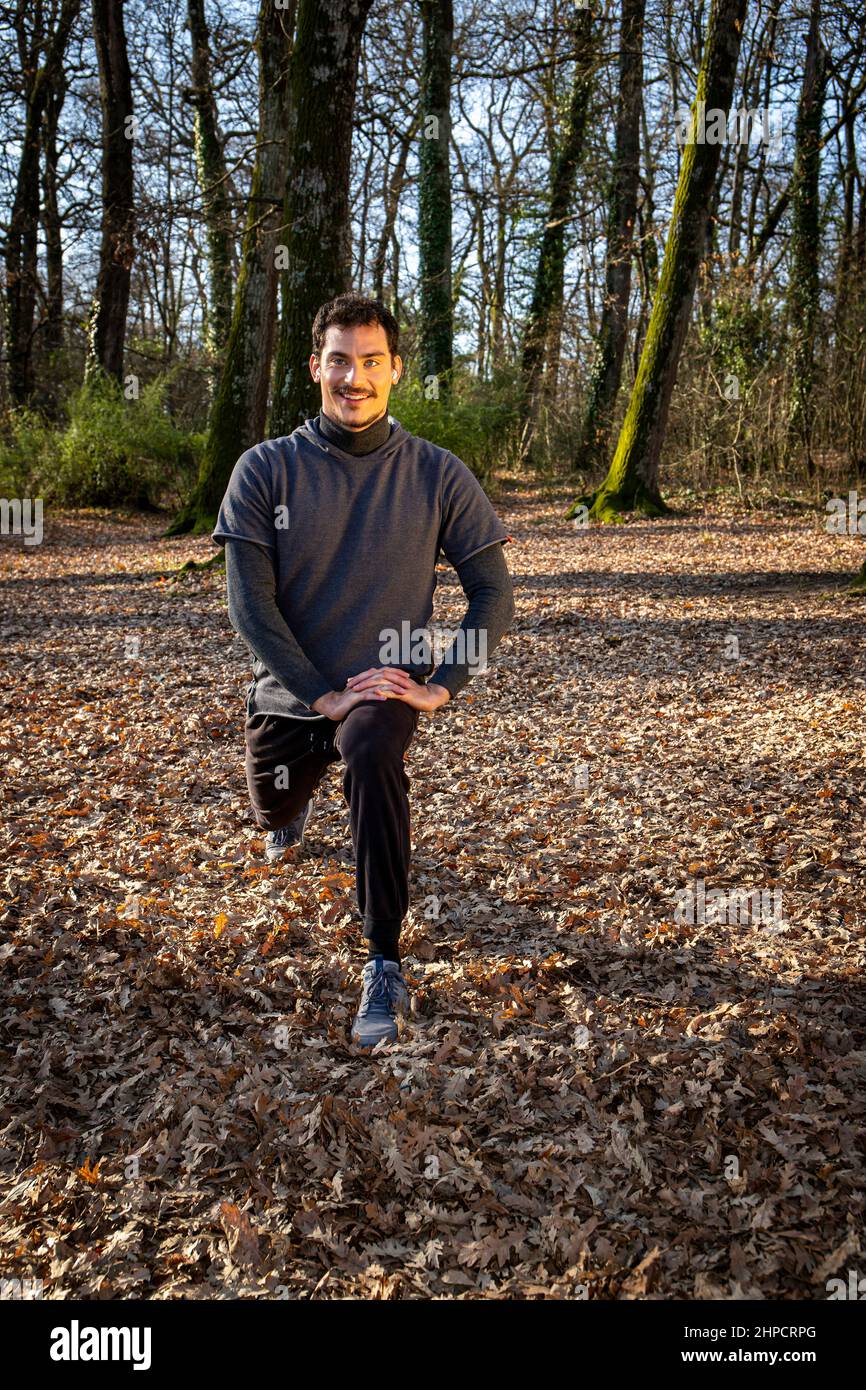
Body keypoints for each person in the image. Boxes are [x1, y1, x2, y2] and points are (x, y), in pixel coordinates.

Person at [211, 292, 515, 1046]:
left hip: (383, 688)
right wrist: (321, 694)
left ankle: (383, 960)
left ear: (396, 371)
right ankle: (292, 806)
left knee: (375, 749)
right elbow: (250, 608)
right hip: (292, 692)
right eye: (340, 360)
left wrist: (443, 684)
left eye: (371, 362)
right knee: (272, 809)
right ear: (315, 367)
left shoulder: (437, 475)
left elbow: (494, 592)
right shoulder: (264, 470)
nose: (356, 377)